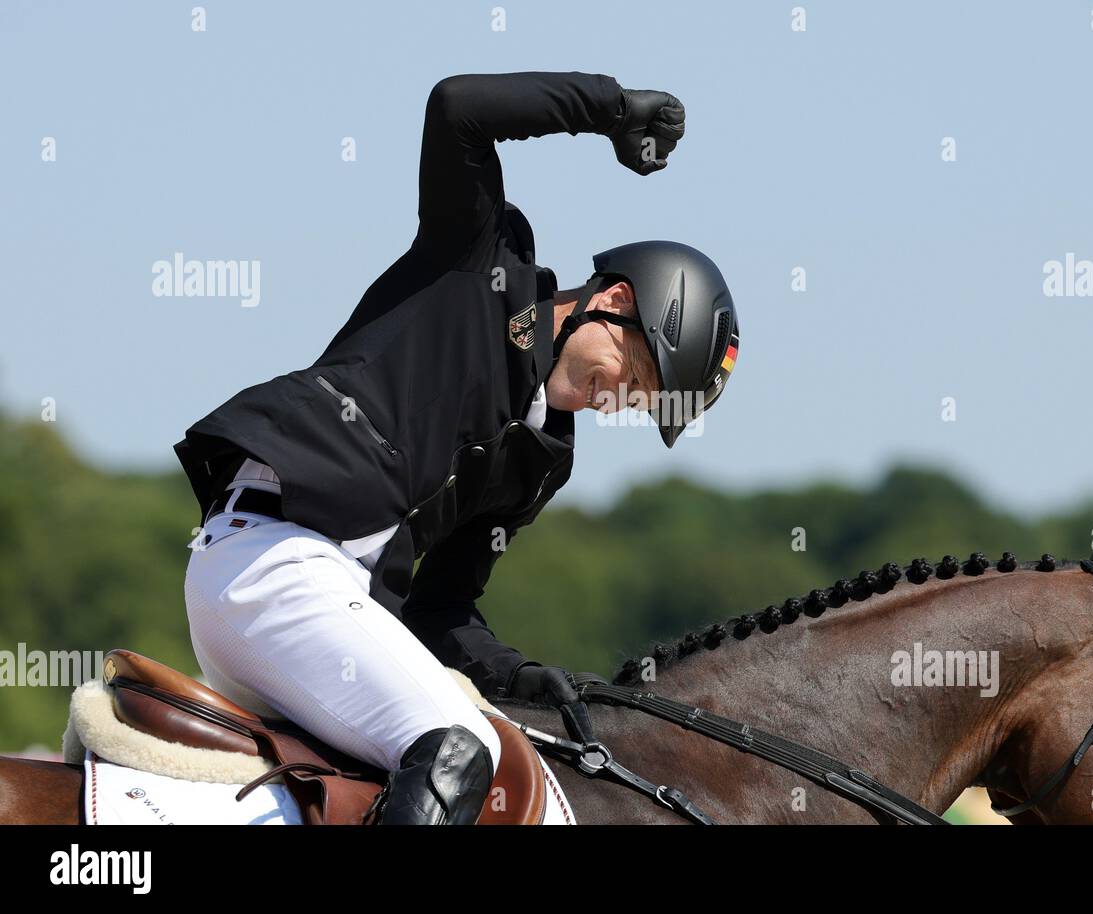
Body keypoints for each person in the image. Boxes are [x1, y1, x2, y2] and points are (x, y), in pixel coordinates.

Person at [173, 72, 740, 824]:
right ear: (613, 301)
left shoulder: (543, 458)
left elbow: (441, 607)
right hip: (276, 557)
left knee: (498, 759)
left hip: (327, 604)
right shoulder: (477, 260)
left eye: (639, 399)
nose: (622, 399)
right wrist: (608, 109)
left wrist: (526, 676)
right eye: (633, 373)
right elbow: (457, 109)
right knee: (458, 746)